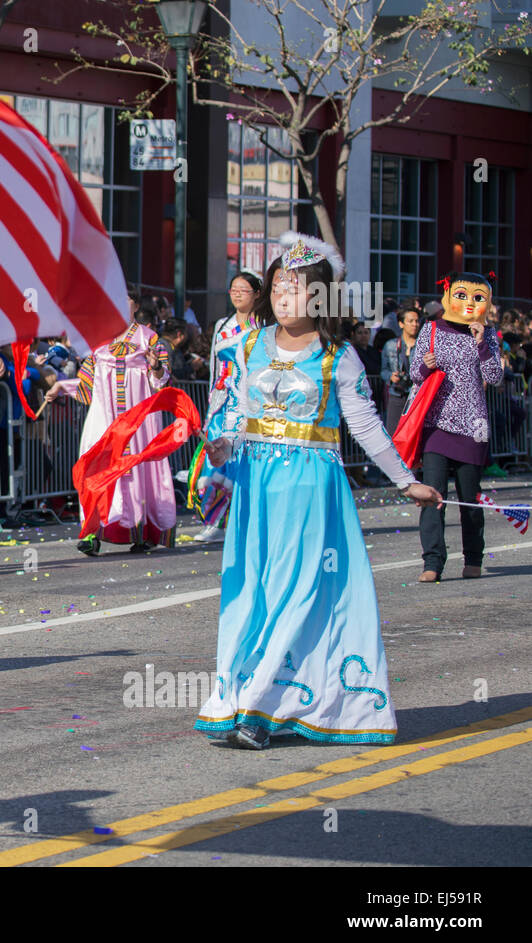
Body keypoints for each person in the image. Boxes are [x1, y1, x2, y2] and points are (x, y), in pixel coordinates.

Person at [195, 233, 441, 750]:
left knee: (298, 592)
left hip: (310, 486)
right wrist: (220, 450)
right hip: (255, 486)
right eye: (278, 287)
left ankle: (259, 712)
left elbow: (366, 425)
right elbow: (235, 412)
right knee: (252, 593)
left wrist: (405, 480)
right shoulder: (246, 344)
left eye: (296, 288)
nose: (284, 297)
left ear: (320, 298)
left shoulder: (338, 356)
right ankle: (242, 697)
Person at [410, 272, 504, 583]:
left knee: (469, 499)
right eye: (462, 295)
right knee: (433, 496)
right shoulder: (432, 329)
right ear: (450, 297)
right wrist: (426, 364)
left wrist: (481, 343)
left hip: (473, 426)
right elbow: (413, 373)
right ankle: (433, 561)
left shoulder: (489, 335)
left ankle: (473, 557)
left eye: (478, 298)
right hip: (436, 424)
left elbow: (494, 376)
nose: (469, 303)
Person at [74, 315, 175, 555]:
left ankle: (141, 532)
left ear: (135, 306)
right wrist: (60, 386)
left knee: (139, 469)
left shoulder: (149, 338)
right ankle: (92, 532)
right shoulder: (97, 338)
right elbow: (83, 389)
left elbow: (161, 382)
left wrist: (156, 366)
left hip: (138, 417)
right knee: (98, 467)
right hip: (103, 416)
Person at [187, 271, 265, 543]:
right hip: (223, 400)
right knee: (215, 457)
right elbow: (214, 367)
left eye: (244, 289)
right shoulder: (223, 324)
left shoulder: (264, 326)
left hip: (252, 400)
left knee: (245, 461)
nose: (237, 294)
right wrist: (211, 404)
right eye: (233, 289)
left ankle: (243, 519)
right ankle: (214, 521)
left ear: (257, 294)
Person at [381, 305, 420, 434]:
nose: (415, 324)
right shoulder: (390, 345)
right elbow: (383, 370)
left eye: (417, 321)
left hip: (416, 396)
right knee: (393, 434)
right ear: (401, 324)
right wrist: (391, 377)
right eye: (410, 321)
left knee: (414, 435)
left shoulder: (422, 346)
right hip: (396, 394)